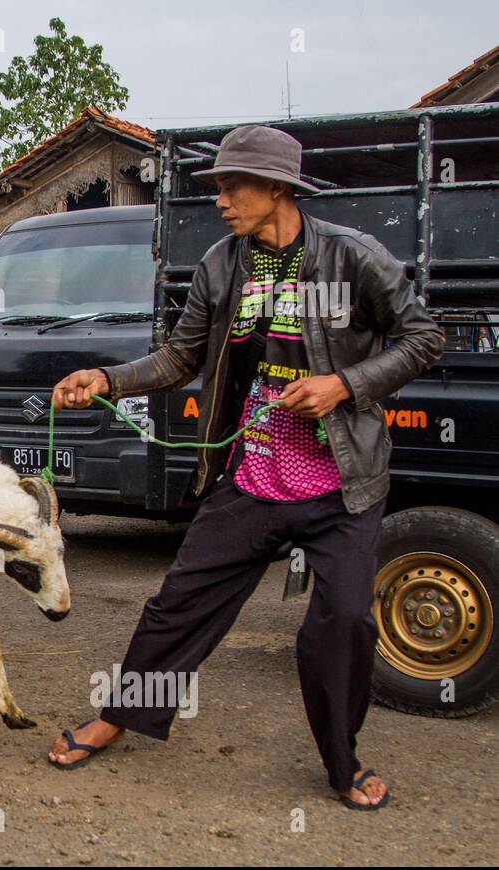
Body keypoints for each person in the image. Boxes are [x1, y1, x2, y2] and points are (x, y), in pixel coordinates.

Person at [47, 125, 444, 810]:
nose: (222, 199)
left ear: (278, 189)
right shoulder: (221, 265)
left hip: (341, 480)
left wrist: (343, 385)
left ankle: (343, 762)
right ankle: (119, 716)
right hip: (254, 473)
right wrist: (106, 379)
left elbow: (424, 337)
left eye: (235, 187)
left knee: (344, 621)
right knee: (179, 605)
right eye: (220, 187)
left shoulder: (352, 258)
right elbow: (180, 359)